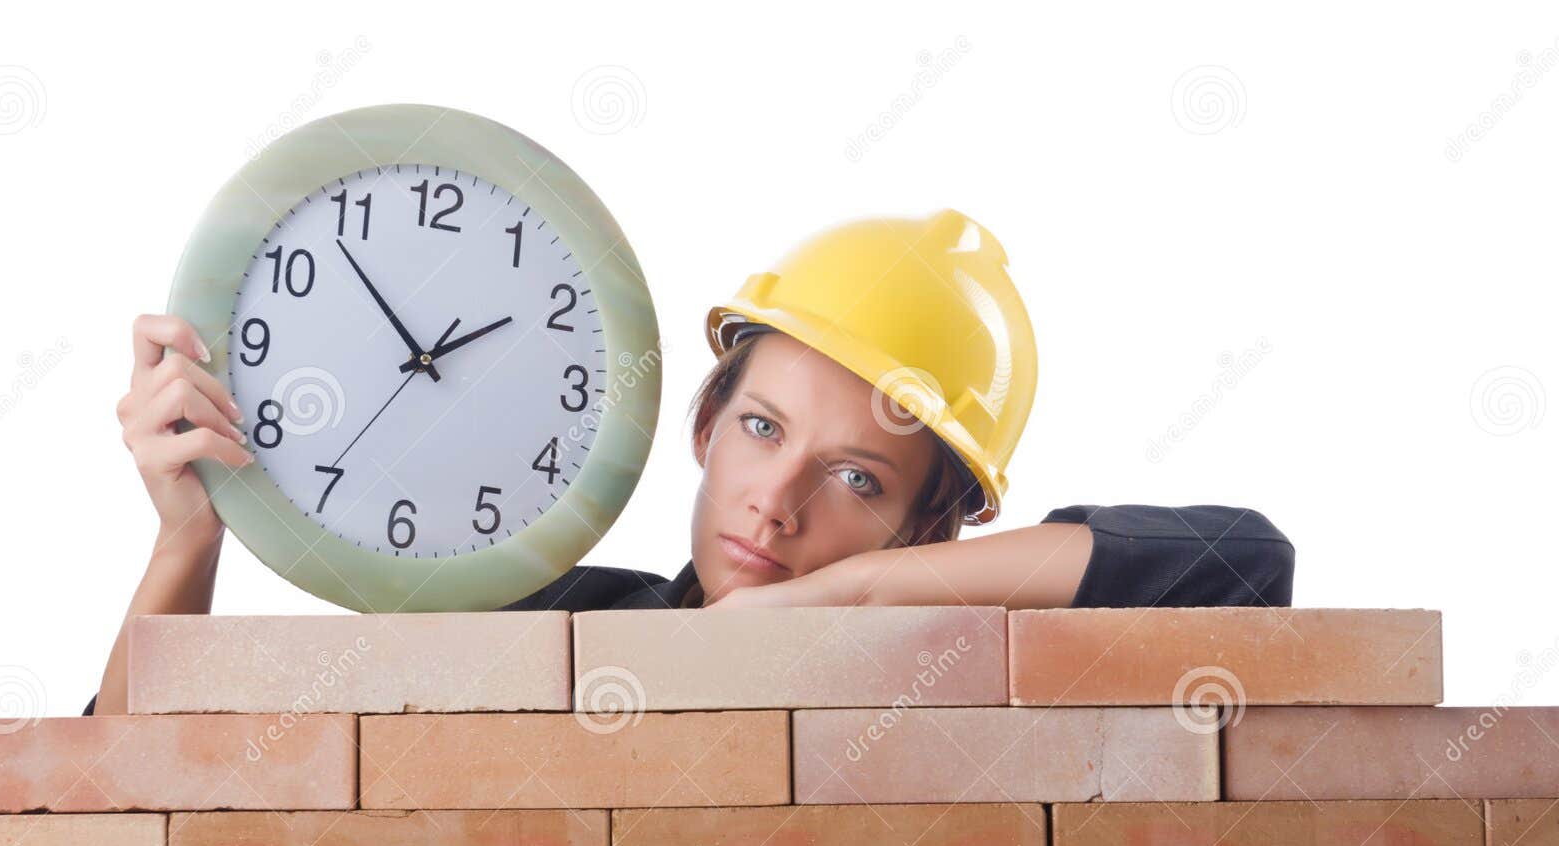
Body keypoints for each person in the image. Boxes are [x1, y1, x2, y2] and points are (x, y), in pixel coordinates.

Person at [84, 209, 1293, 715]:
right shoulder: (553, 619)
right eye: (763, 431)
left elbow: (1241, 563)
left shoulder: (972, 689)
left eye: (859, 479)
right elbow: (125, 778)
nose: (777, 499)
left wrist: (839, 604)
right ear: (705, 427)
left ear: (927, 534)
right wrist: (189, 536)